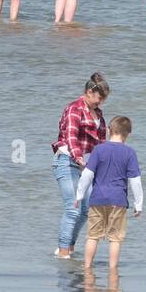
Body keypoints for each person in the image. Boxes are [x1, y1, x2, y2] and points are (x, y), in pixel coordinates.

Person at [74, 115, 142, 272]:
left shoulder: (98, 149)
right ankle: (112, 270)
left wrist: (79, 195)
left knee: (92, 236)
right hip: (118, 201)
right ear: (128, 134)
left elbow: (87, 175)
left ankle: (87, 267)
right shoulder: (129, 153)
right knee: (115, 238)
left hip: (97, 199)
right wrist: (138, 204)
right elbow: (135, 181)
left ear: (109, 131)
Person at [52, 73, 109, 260]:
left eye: (103, 100)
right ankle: (63, 252)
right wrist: (79, 158)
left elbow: (101, 141)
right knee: (73, 208)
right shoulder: (74, 109)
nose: (100, 103)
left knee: (86, 210)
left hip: (87, 167)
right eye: (99, 98)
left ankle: (69, 247)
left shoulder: (98, 113)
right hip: (67, 161)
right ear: (89, 92)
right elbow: (71, 137)